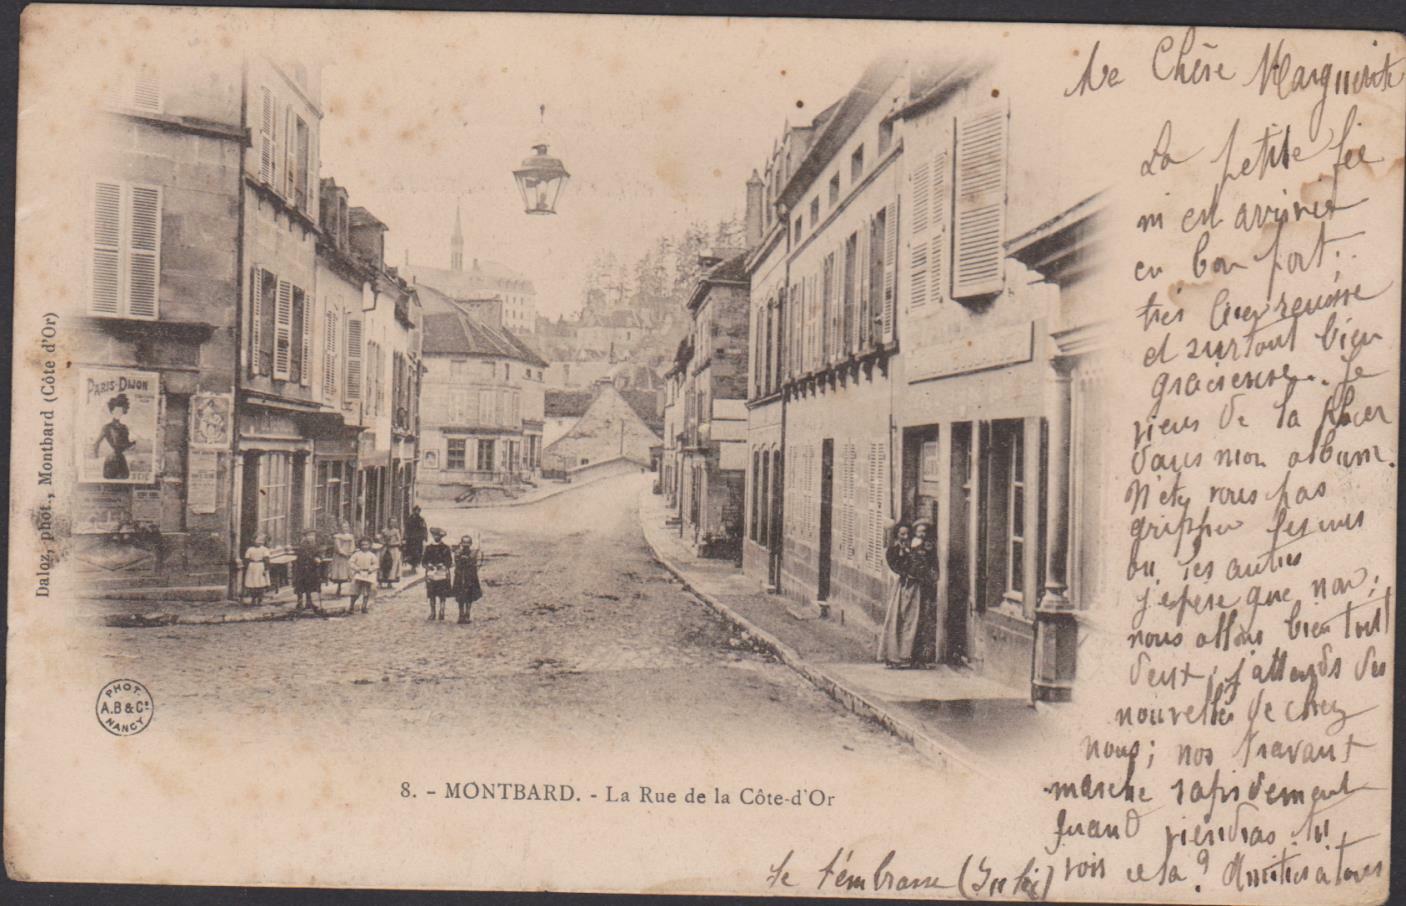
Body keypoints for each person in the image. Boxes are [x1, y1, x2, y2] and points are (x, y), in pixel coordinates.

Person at [877, 522, 921, 667]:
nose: (905, 537)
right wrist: (905, 569)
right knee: (895, 619)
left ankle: (906, 656)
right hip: (900, 587)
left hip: (914, 588)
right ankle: (892, 656)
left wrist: (911, 555)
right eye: (902, 534)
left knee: (911, 620)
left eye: (907, 534)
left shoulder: (915, 550)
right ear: (897, 535)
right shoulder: (892, 551)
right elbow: (895, 567)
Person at [907, 517, 941, 667]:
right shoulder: (911, 547)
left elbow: (935, 569)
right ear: (915, 532)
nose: (922, 534)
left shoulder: (929, 548)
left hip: (926, 589)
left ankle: (924, 656)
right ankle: (909, 654)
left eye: (925, 532)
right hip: (913, 589)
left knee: (926, 621)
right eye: (919, 531)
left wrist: (930, 577)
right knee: (912, 620)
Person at [94, 393, 136, 480]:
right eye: (116, 411)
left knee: (124, 480)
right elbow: (97, 442)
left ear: (123, 412)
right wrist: (96, 455)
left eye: (120, 411)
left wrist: (133, 443)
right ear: (112, 411)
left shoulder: (125, 428)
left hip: (121, 461)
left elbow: (125, 445)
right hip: (111, 461)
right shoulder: (107, 427)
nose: (118, 413)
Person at [422, 527, 453, 621]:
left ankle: (442, 611)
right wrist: (428, 566)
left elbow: (449, 561)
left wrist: (443, 565)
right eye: (435, 535)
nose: (436, 537)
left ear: (441, 537)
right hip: (431, 574)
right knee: (432, 594)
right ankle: (433, 612)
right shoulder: (429, 548)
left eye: (438, 535)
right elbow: (423, 562)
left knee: (442, 594)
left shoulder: (445, 548)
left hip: (442, 573)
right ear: (432, 535)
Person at [452, 534, 482, 624]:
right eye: (464, 543)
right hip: (460, 577)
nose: (466, 545)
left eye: (468, 544)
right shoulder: (458, 553)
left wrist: (468, 560)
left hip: (470, 578)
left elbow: (474, 563)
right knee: (460, 596)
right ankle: (461, 614)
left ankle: (467, 614)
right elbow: (457, 562)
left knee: (469, 596)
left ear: (470, 544)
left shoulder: (473, 553)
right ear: (461, 543)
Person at [291, 530, 323, 612]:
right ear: (305, 536)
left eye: (313, 535)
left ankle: (309, 602)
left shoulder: (315, 545)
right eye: (310, 535)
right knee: (300, 586)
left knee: (309, 585)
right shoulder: (302, 545)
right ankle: (299, 602)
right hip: (302, 568)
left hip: (311, 568)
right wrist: (314, 559)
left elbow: (318, 553)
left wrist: (319, 558)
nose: (312, 537)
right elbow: (305, 555)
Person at [348, 537, 380, 614]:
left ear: (369, 545)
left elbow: (376, 564)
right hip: (359, 573)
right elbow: (351, 562)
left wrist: (371, 569)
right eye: (362, 545)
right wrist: (356, 568)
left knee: (366, 591)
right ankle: (351, 606)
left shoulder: (372, 555)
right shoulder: (356, 554)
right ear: (360, 545)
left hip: (368, 574)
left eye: (366, 545)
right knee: (355, 591)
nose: (364, 546)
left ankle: (364, 607)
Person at [242, 533, 273, 607]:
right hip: (252, 567)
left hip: (260, 566)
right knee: (252, 583)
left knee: (260, 583)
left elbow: (266, 559)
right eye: (258, 540)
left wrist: (266, 569)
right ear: (253, 540)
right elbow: (246, 559)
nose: (260, 542)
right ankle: (253, 599)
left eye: (261, 540)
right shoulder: (250, 549)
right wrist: (247, 567)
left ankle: (260, 599)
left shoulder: (265, 549)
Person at [328, 521, 355, 597]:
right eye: (343, 527)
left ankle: (351, 590)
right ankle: (338, 589)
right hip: (340, 557)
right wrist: (344, 553)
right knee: (340, 573)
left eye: (346, 527)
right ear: (340, 528)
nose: (345, 529)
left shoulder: (350, 536)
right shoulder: (337, 537)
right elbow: (338, 547)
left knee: (349, 572)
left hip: (348, 556)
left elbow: (353, 545)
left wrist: (351, 552)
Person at [403, 506, 427, 573]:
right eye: (416, 510)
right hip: (410, 539)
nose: (417, 512)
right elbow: (406, 528)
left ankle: (415, 565)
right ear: (413, 511)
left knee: (417, 552)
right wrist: (405, 536)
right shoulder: (409, 518)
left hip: (418, 539)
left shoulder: (421, 519)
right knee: (410, 552)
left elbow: (424, 528)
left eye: (418, 511)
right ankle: (412, 566)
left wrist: (425, 536)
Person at [381, 522, 403, 587]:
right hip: (385, 548)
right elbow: (380, 539)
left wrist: (393, 543)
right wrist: (384, 542)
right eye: (390, 522)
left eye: (393, 522)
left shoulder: (396, 531)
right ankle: (381, 581)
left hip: (393, 549)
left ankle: (390, 582)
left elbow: (399, 541)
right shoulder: (384, 531)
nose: (391, 524)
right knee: (383, 563)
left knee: (393, 564)